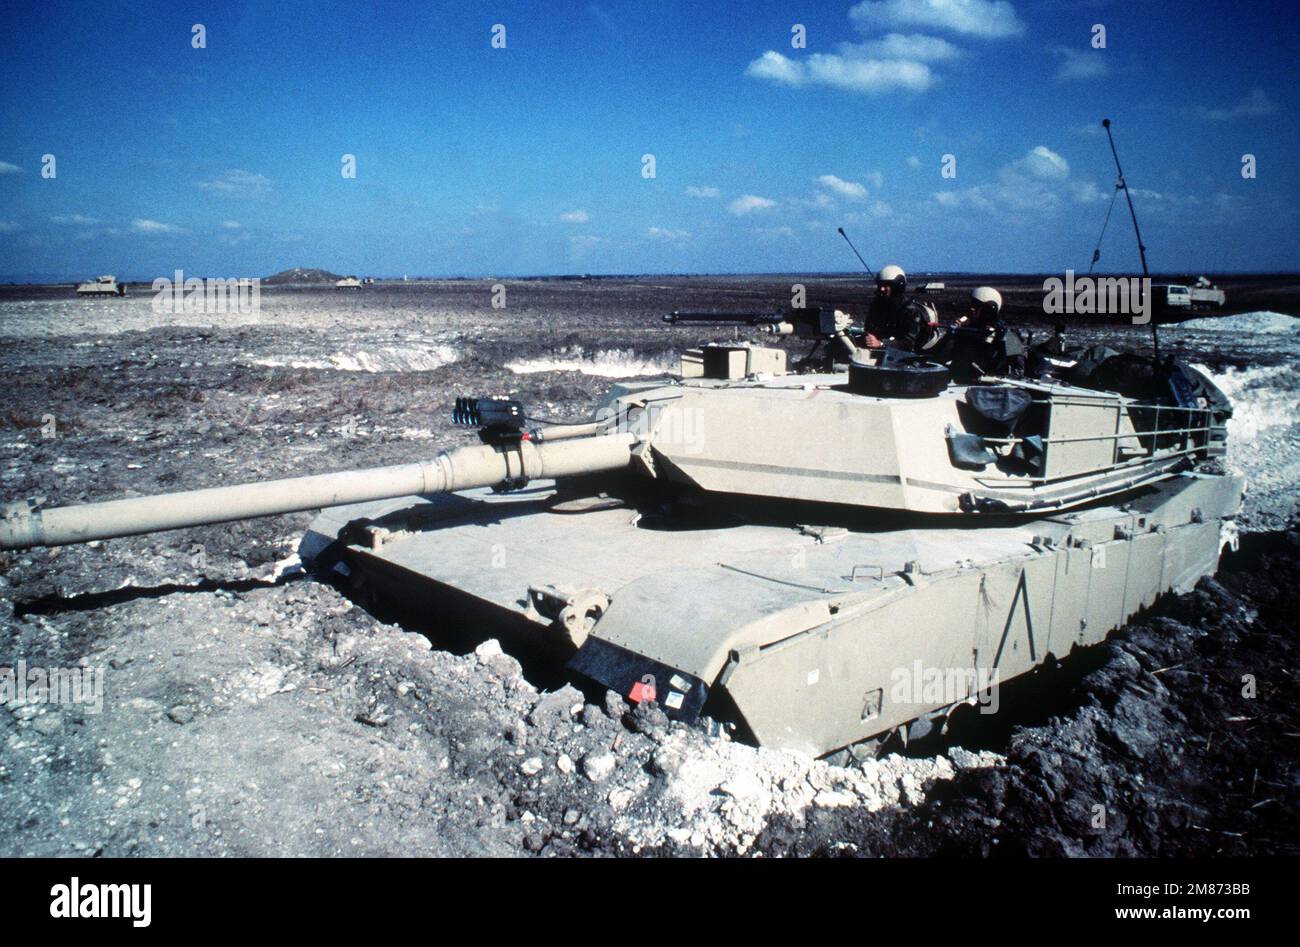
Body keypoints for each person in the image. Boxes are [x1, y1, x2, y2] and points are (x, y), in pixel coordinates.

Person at [948, 286, 1025, 381]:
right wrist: (951, 334)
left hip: (990, 385)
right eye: (971, 305)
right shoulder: (966, 329)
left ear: (989, 309)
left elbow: (1018, 369)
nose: (971, 309)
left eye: (976, 305)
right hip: (961, 380)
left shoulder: (1007, 334)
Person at [863, 264, 936, 353]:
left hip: (904, 356)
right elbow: (869, 328)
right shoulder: (877, 306)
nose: (882, 289)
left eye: (886, 285)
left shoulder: (910, 311)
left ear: (897, 286)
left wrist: (882, 344)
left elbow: (908, 343)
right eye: (880, 285)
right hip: (879, 351)